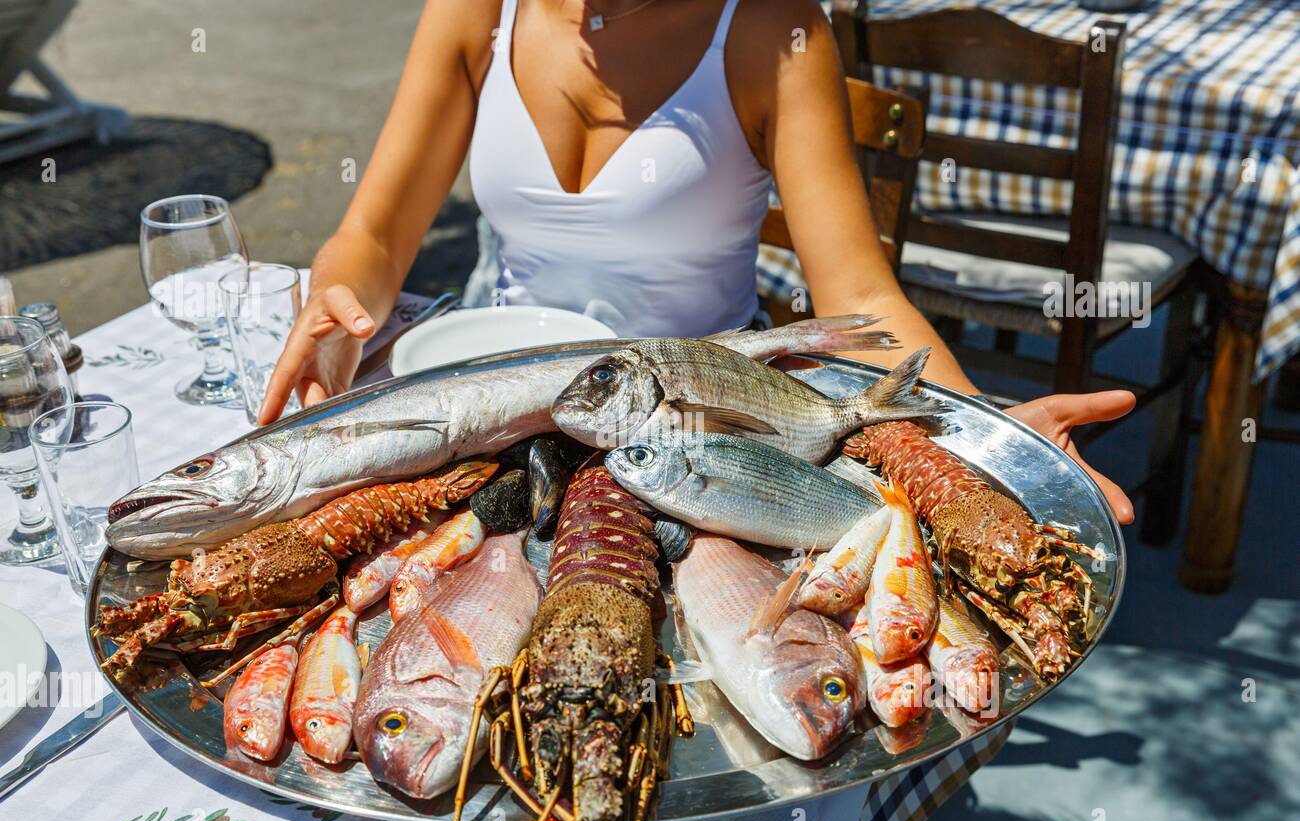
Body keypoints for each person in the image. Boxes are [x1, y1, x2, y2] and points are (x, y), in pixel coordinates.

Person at [259, 0, 1135, 523]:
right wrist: (338, 301)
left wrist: (992, 442)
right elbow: (372, 236)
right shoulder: (479, 12)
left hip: (704, 429)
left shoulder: (768, 27)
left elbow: (859, 296)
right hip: (497, 413)